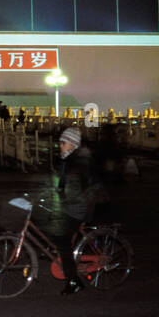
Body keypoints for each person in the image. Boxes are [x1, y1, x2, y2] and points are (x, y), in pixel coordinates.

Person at [55, 126, 103, 295]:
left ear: (72, 144)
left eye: (63, 142)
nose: (60, 145)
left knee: (63, 242)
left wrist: (69, 199)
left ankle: (74, 281)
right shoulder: (66, 159)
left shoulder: (80, 161)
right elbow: (61, 186)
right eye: (60, 142)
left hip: (81, 206)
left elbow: (83, 188)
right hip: (72, 204)